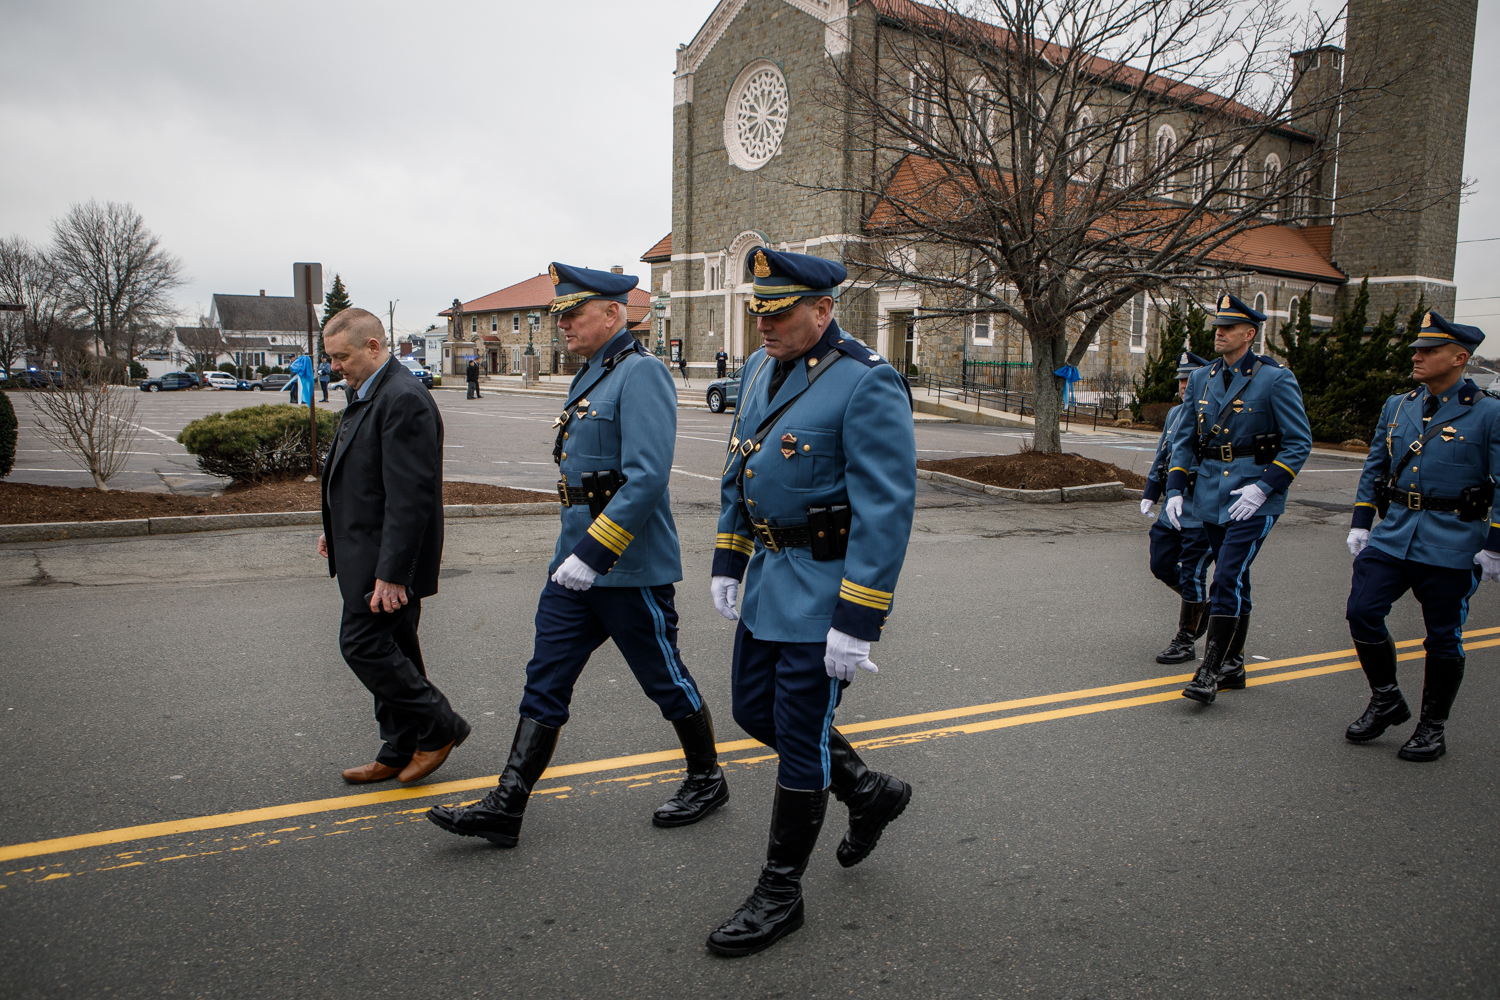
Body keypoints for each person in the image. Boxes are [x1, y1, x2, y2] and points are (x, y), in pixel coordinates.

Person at [427, 262, 727, 848]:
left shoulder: (640, 374)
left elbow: (644, 479)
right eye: (559, 314)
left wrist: (594, 554)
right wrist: (576, 555)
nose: (562, 325)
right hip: (573, 563)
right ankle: (507, 804)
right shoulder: (592, 373)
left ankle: (706, 776)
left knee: (662, 678)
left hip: (625, 565)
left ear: (613, 314)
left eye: (573, 314)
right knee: (546, 677)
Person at [705, 248, 917, 957]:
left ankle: (779, 892)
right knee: (750, 711)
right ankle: (867, 791)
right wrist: (729, 558)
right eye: (756, 312)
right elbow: (742, 469)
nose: (761, 325)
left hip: (824, 592)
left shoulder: (867, 383)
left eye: (778, 313)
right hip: (770, 578)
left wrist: (857, 621)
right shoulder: (764, 366)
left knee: (798, 738)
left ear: (823, 311)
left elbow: (886, 510)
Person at [317, 308, 469, 785]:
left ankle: (439, 726)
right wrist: (334, 525)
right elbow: (363, 478)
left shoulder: (402, 398)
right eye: (330, 358)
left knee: (362, 644)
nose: (334, 366)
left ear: (374, 348)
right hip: (365, 548)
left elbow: (410, 496)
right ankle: (400, 746)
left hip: (385, 559)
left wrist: (393, 572)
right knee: (394, 647)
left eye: (341, 357)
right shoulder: (369, 391)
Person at [1344, 312, 1500, 761]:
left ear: (1459, 358)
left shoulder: (1488, 413)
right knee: (1362, 612)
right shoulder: (1398, 405)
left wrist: (1494, 545)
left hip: (1452, 541)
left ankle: (1432, 726)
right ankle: (1386, 697)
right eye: (1417, 349)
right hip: (1394, 535)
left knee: (1443, 636)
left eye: (1429, 351)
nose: (1417, 356)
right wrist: (1361, 521)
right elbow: (1375, 466)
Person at [1163, 292, 1312, 704]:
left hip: (1252, 493)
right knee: (1237, 577)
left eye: (1228, 328)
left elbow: (1299, 442)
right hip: (1210, 490)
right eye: (1217, 327)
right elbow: (1186, 440)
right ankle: (1235, 665)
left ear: (1250, 333)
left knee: (1225, 576)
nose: (1220, 333)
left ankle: (1210, 670)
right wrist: (1175, 488)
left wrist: (1265, 486)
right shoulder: (1201, 378)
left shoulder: (1274, 378)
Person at [1142, 352, 1214, 664]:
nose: (1184, 385)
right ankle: (1201, 606)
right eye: (1181, 380)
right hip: (1174, 506)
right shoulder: (1174, 414)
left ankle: (1186, 639)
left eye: (1190, 379)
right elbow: (1164, 455)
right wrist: (1150, 492)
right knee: (1161, 563)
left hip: (1203, 507)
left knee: (1195, 571)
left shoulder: (1216, 413)